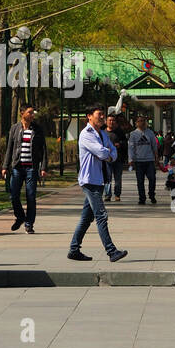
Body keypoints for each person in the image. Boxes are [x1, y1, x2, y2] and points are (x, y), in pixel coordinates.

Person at [68, 104, 128, 263]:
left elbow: (113, 153)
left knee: (86, 218)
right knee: (101, 215)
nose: (102, 117)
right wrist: (108, 153)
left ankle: (74, 249)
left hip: (100, 179)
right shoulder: (86, 134)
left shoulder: (102, 134)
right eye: (99, 114)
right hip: (90, 180)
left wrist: (108, 154)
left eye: (103, 114)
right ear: (89, 116)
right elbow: (103, 152)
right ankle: (111, 251)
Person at [2, 105, 46, 234]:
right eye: (30, 112)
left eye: (33, 113)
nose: (33, 115)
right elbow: (9, 148)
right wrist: (5, 166)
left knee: (31, 196)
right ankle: (20, 216)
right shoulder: (15, 128)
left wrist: (43, 167)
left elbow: (43, 149)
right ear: (22, 113)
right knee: (14, 195)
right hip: (17, 167)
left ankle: (29, 223)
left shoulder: (37, 129)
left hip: (31, 168)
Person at [128, 114, 158, 205]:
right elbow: (131, 147)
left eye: (143, 121)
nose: (142, 123)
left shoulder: (150, 133)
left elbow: (154, 146)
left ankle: (151, 195)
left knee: (152, 179)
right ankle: (142, 198)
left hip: (149, 160)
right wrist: (130, 159)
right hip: (139, 161)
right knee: (140, 181)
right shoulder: (133, 134)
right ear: (136, 123)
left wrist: (156, 157)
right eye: (139, 121)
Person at [104, 113, 127, 202]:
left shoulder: (120, 132)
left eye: (113, 120)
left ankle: (117, 194)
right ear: (106, 122)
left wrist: (119, 144)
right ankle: (107, 195)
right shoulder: (103, 132)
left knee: (118, 178)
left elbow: (125, 143)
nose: (111, 122)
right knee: (107, 178)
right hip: (106, 159)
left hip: (118, 159)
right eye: (109, 120)